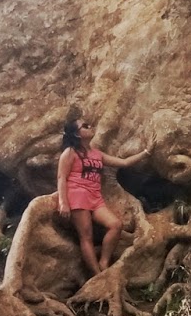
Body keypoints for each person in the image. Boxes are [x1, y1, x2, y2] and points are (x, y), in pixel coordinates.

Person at [57, 117, 146, 274]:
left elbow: (124, 162)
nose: (90, 127)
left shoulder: (97, 154)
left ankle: (104, 263)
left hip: (95, 197)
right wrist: (63, 202)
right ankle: (97, 275)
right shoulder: (70, 153)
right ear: (77, 134)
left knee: (115, 225)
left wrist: (147, 152)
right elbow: (61, 177)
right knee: (86, 237)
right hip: (77, 195)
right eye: (85, 126)